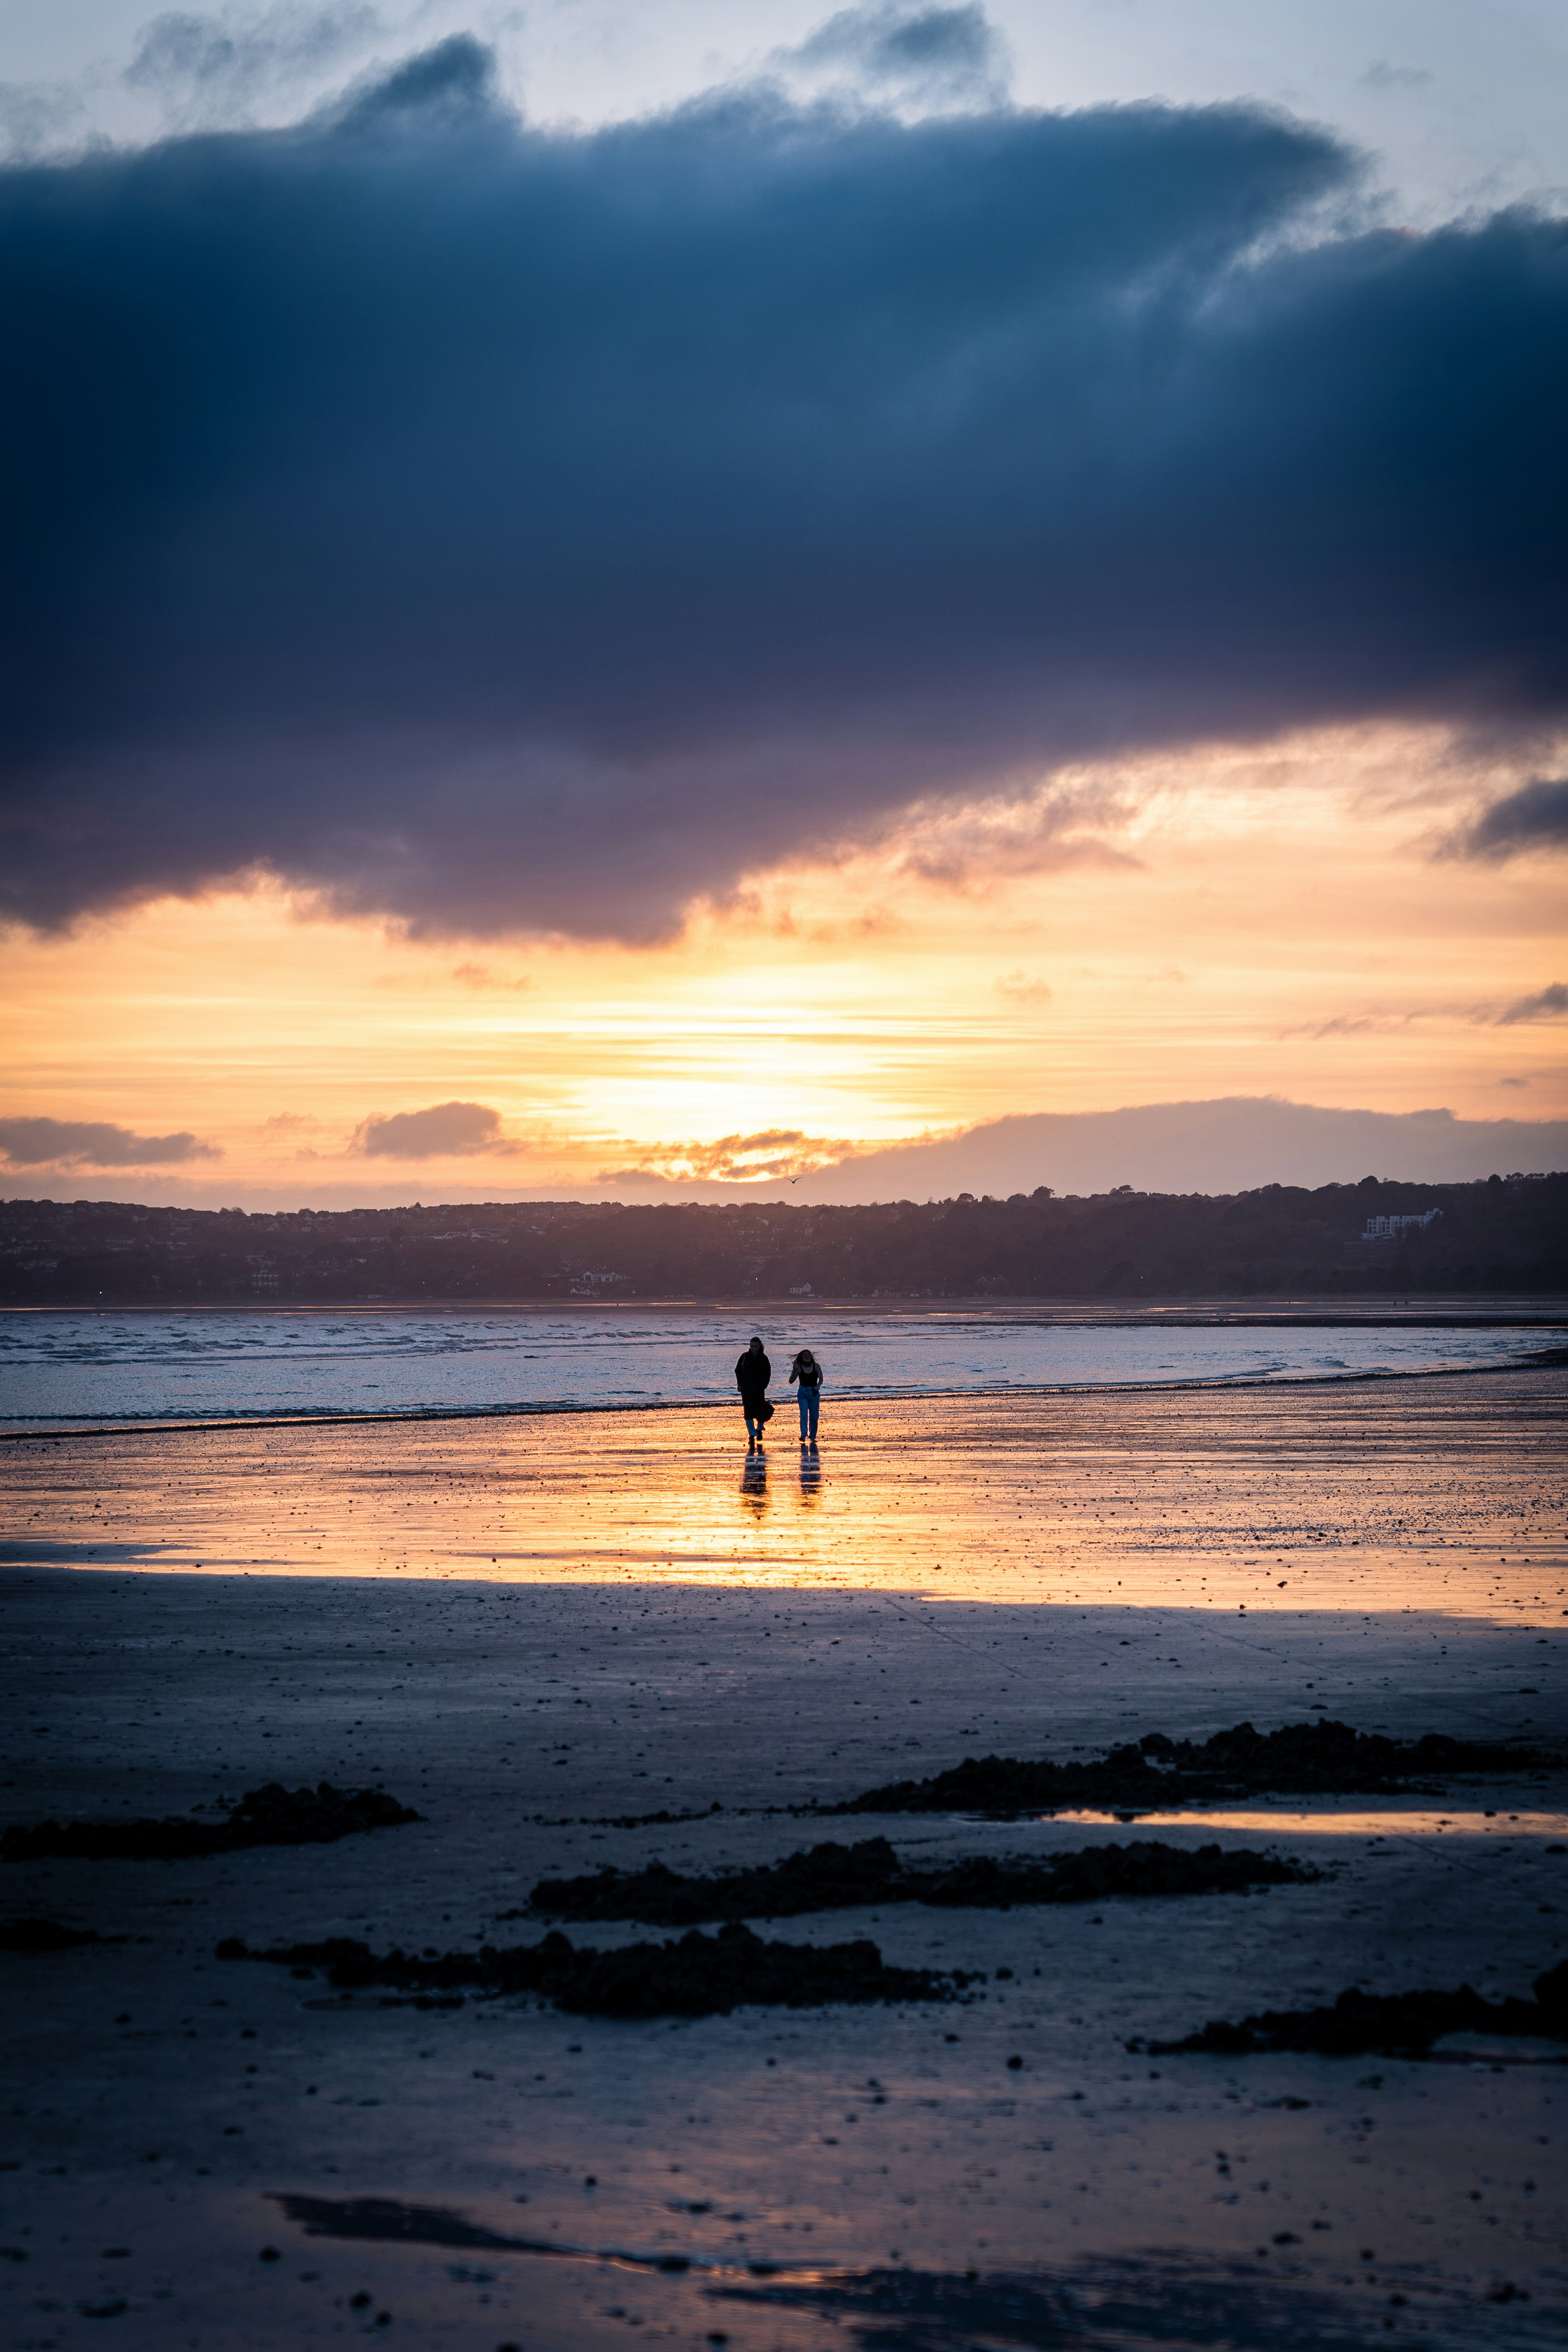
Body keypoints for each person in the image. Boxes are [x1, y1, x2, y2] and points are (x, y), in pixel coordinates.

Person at [735, 1334, 771, 1447]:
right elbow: (738, 1370)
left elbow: (768, 1373)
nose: (754, 1349)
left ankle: (759, 1429)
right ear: (750, 1346)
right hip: (746, 1389)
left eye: (756, 1347)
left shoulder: (764, 1358)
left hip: (759, 1389)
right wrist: (740, 1383)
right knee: (748, 1412)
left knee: (762, 1409)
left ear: (760, 1347)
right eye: (752, 1346)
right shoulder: (745, 1356)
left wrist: (763, 1385)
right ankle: (751, 1435)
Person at [789, 1346, 823, 1441]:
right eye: (805, 1356)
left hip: (814, 1392)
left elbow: (821, 1379)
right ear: (802, 1358)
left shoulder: (816, 1366)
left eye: (808, 1355)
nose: (807, 1357)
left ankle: (812, 1437)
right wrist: (795, 1370)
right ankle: (803, 1435)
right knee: (804, 1415)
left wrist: (818, 1386)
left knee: (814, 1416)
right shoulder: (799, 1368)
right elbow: (791, 1381)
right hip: (803, 1393)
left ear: (811, 1356)